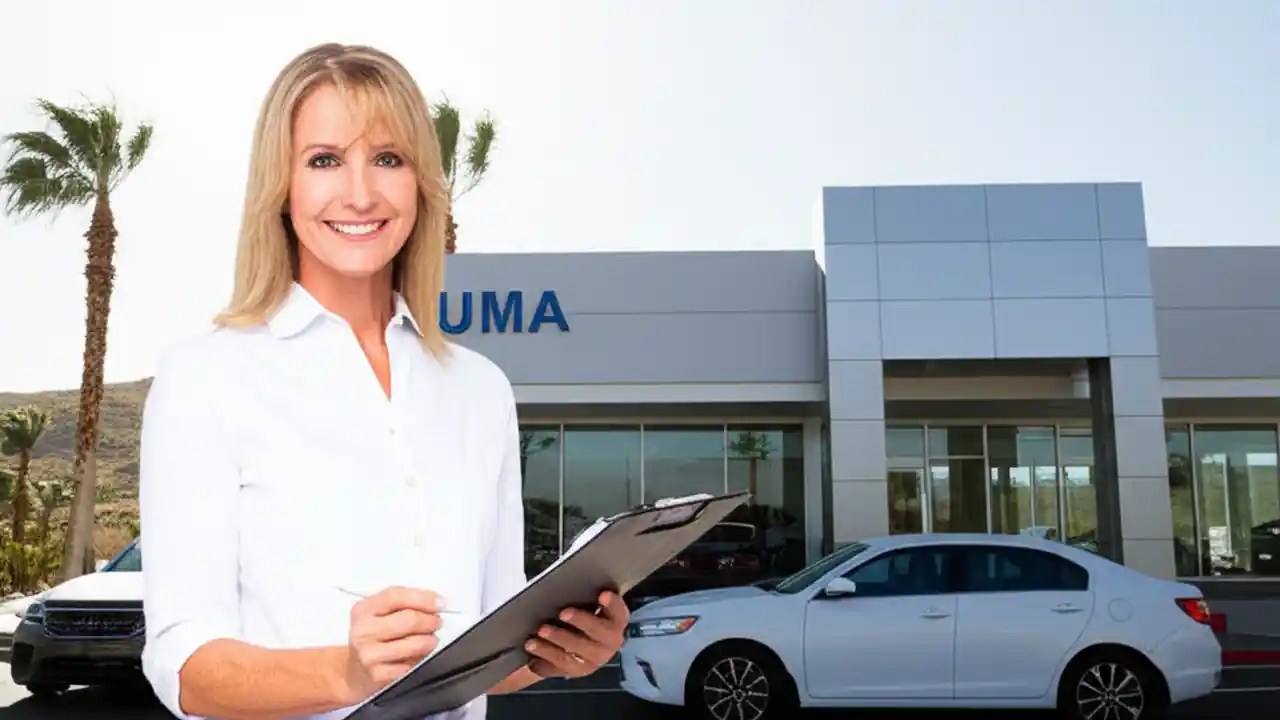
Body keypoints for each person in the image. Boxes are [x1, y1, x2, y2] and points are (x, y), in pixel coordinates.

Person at [138, 42, 627, 720]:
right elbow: (184, 668)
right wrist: (344, 672)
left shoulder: (481, 390)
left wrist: (556, 652)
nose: (361, 193)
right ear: (281, 185)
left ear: (421, 184)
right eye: (325, 160)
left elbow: (483, 654)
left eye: (388, 159)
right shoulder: (206, 377)